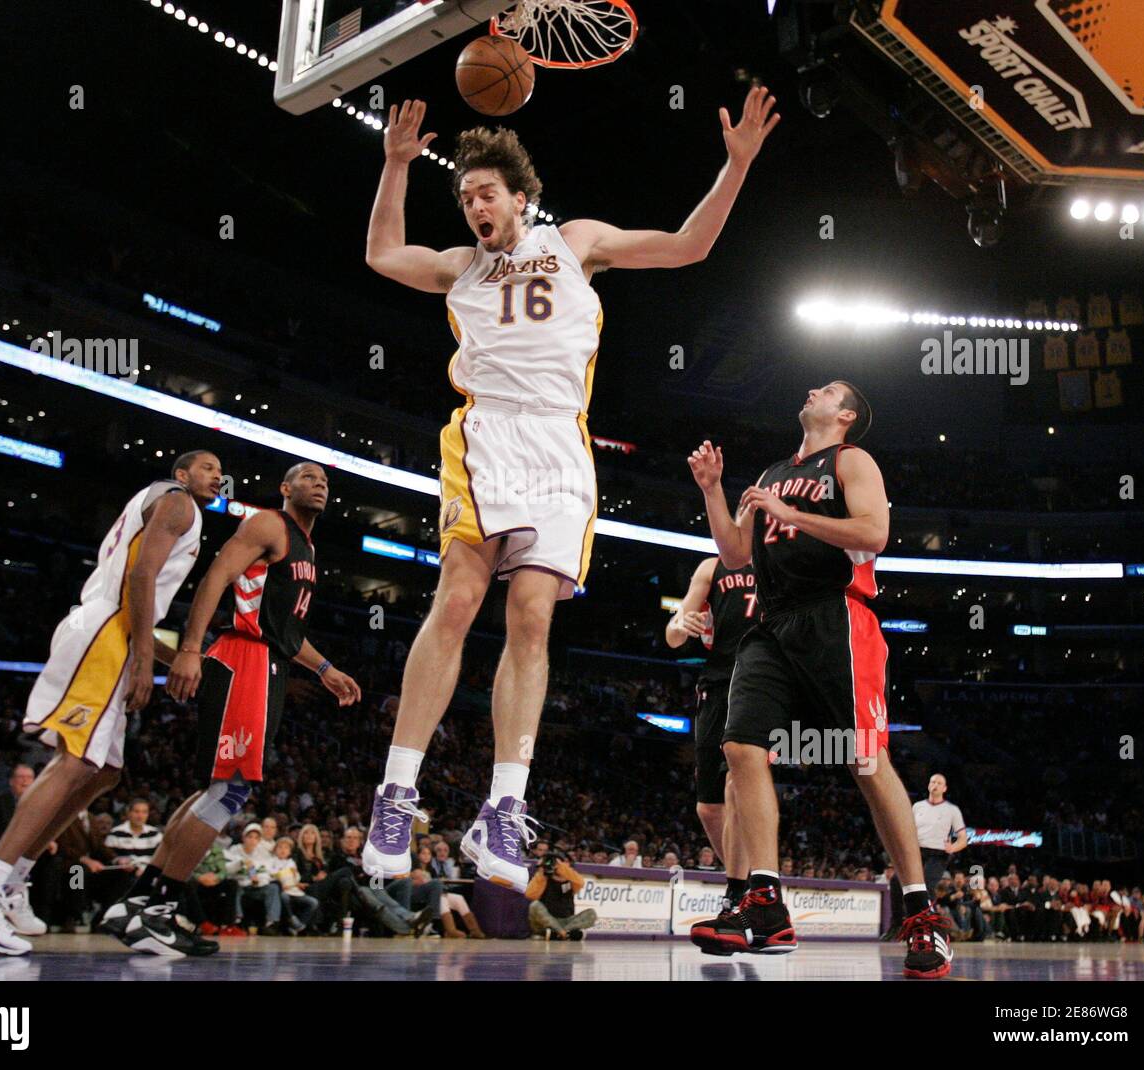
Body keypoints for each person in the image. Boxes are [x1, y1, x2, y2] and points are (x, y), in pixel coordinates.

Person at [360, 89, 780, 893]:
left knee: (530, 620)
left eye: (486, 192)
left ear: (523, 197)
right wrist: (395, 166)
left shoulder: (576, 243)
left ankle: (503, 808)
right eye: (465, 195)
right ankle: (397, 792)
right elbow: (383, 253)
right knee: (456, 599)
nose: (474, 204)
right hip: (486, 433)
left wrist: (735, 166)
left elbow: (688, 246)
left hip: (559, 443)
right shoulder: (460, 265)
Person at [688, 381, 953, 978]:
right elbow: (734, 556)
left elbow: (873, 534)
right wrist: (712, 491)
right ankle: (763, 901)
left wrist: (794, 514)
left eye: (827, 389)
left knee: (865, 760)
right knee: (740, 747)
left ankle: (921, 913)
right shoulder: (774, 469)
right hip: (773, 623)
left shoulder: (852, 460)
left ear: (846, 414)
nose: (811, 389)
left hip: (835, 614)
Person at [0, 451, 223, 955]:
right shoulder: (179, 504)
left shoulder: (162, 503)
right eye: (207, 467)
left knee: (104, 772)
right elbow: (140, 576)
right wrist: (140, 658)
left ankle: (12, 878)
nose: (217, 476)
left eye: (221, 472)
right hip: (107, 633)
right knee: (75, 761)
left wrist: (173, 656)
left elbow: (139, 591)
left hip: (112, 628)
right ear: (181, 474)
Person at [107, 462, 361, 956]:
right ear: (285, 488)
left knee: (219, 787)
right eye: (307, 478)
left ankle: (138, 904)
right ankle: (156, 910)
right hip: (243, 658)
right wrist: (188, 648)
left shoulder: (308, 549)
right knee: (231, 791)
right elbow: (217, 577)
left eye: (325, 481)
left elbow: (284, 630)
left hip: (268, 662)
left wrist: (324, 668)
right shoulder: (269, 524)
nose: (320, 484)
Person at [666, 553, 756, 949]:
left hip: (758, 681)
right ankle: (754, 883)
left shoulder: (780, 562)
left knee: (739, 783)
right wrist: (679, 623)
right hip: (715, 681)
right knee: (708, 808)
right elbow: (673, 635)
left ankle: (737, 894)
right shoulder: (711, 567)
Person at [911, 773, 967, 899]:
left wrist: (952, 847)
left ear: (944, 788)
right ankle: (900, 917)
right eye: (933, 782)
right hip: (917, 851)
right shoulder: (917, 806)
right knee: (899, 882)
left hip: (938, 853)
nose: (935, 785)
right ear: (928, 785)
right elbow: (910, 832)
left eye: (939, 783)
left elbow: (963, 839)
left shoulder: (952, 810)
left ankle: (928, 915)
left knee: (926, 884)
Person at [525, 850, 596, 940]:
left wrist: (559, 866)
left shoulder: (571, 880)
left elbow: (580, 882)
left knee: (591, 913)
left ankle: (559, 933)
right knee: (534, 905)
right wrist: (542, 873)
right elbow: (530, 895)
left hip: (567, 921)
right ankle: (565, 933)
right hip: (547, 921)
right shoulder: (543, 879)